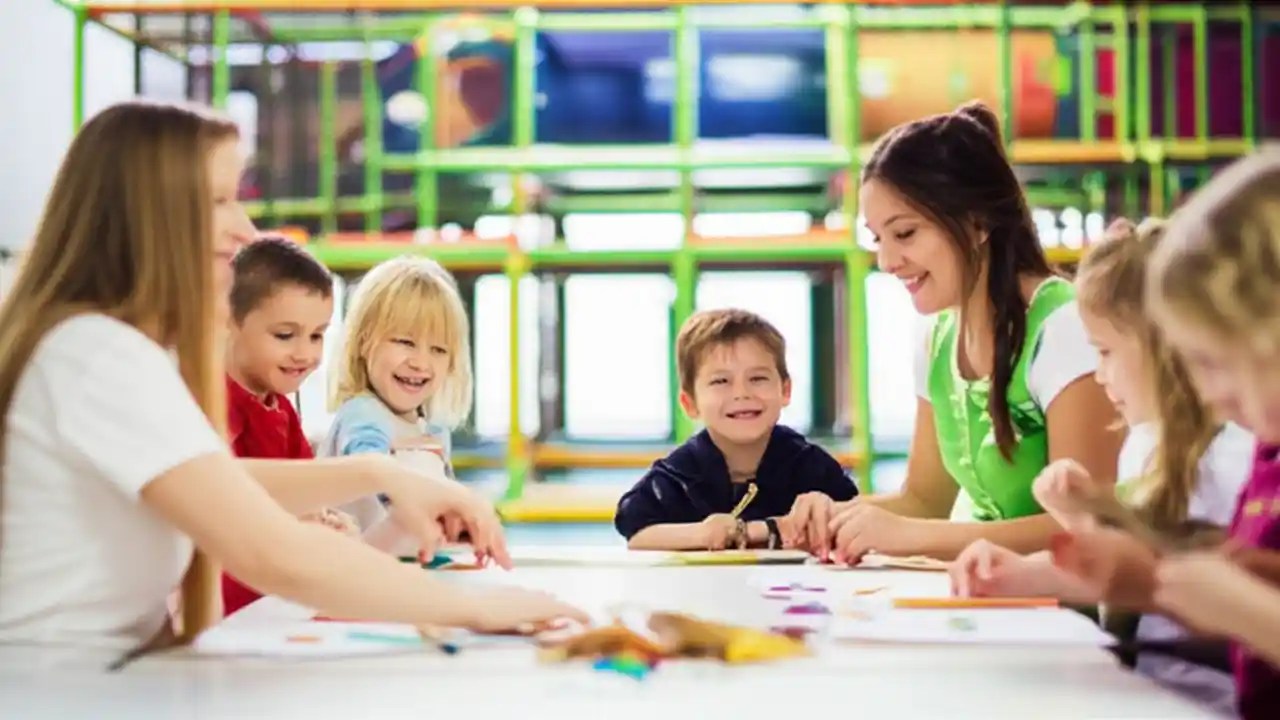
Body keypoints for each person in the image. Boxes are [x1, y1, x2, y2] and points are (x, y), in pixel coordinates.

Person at [0, 100, 586, 660]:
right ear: (149, 216)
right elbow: (271, 552)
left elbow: (221, 482)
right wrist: (478, 608)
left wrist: (380, 473)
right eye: (221, 200)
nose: (245, 229)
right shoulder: (98, 354)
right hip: (69, 685)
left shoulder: (94, 346)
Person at [786, 101, 1122, 562]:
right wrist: (837, 514)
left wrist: (907, 536)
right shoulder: (937, 338)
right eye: (878, 239)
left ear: (977, 221)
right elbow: (926, 501)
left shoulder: (1065, 329)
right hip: (983, 598)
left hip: (1064, 618)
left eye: (904, 234)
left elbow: (1088, 526)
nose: (886, 262)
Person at [948, 218, 1251, 714]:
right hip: (1147, 691)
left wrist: (1085, 526)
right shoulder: (1144, 442)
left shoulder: (1232, 457)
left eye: (1106, 352)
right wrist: (1021, 573)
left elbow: (1175, 581)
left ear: (1169, 347)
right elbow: (1129, 565)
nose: (1097, 373)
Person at [1036, 150, 1280, 720]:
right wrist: (1139, 575)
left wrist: (1238, 608)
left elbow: (1248, 604)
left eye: (1218, 361)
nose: (1208, 391)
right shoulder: (1267, 453)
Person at [614, 308, 858, 550]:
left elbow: (851, 517)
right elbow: (637, 533)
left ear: (785, 391)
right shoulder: (679, 473)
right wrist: (702, 533)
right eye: (721, 381)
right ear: (690, 404)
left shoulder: (810, 465)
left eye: (758, 379)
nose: (742, 394)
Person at [221, 236, 358, 616]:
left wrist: (329, 522)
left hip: (271, 609)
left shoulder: (281, 408)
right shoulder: (215, 408)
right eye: (285, 335)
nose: (306, 354)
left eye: (317, 336)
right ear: (230, 321)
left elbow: (307, 498)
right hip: (228, 615)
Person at [318, 256, 475, 554]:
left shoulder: (433, 430)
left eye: (438, 350)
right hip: (357, 577)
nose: (420, 363)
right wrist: (411, 501)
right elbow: (370, 464)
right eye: (405, 342)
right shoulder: (363, 413)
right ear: (364, 342)